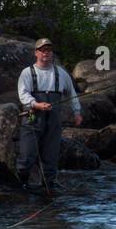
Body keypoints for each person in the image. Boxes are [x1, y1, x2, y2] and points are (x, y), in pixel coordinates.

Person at [16, 37, 81, 195]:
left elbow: (72, 93)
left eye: (49, 50)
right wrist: (36, 104)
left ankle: (49, 187)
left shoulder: (61, 73)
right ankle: (21, 186)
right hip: (32, 118)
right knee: (27, 156)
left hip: (53, 120)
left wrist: (77, 112)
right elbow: (22, 94)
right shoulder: (27, 73)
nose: (46, 53)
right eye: (43, 50)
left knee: (51, 157)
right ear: (36, 53)